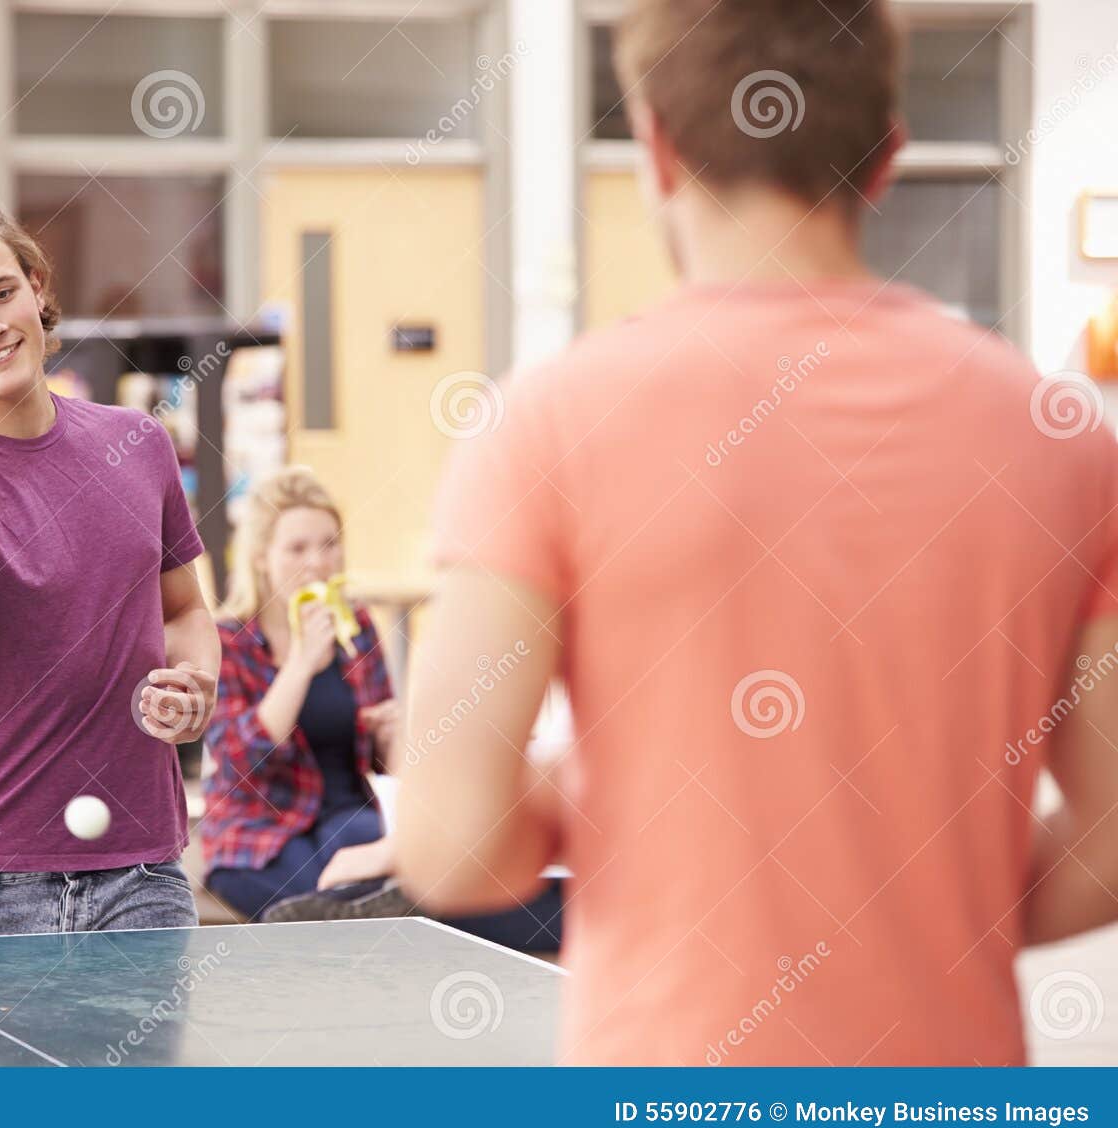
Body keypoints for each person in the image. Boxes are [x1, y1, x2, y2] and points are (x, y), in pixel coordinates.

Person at [396, 0, 1118, 1065]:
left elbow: (450, 847)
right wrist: (918, 911)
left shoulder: (549, 423)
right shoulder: (1061, 440)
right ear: (885, 155)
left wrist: (598, 782)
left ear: (656, 145)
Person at [0, 193, 220, 939]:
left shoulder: (140, 444)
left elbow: (185, 609)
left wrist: (196, 679)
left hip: (141, 876)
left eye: (2, 293)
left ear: (36, 286)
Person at [202, 467, 562, 952]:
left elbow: (381, 761)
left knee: (401, 884)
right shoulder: (228, 640)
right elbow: (240, 760)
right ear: (262, 559)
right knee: (370, 910)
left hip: (348, 820)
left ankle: (384, 911)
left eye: (329, 544)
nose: (317, 563)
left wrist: (396, 738)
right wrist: (303, 663)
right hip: (260, 838)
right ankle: (545, 913)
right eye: (297, 548)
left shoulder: (357, 627)